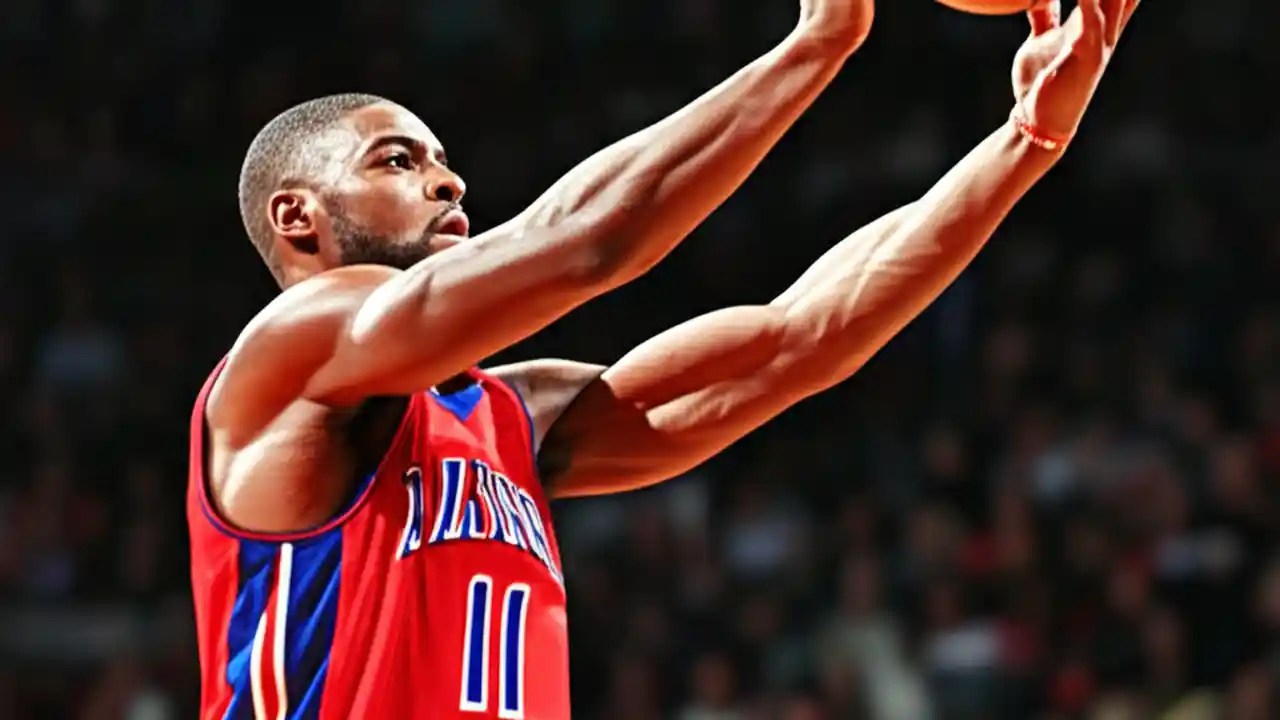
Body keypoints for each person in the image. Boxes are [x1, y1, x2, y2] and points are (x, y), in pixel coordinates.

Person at [186, 0, 1138, 717]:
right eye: (398, 161)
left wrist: (1026, 139)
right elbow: (585, 240)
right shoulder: (286, 356)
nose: (448, 180)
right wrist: (817, 44)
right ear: (298, 216)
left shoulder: (507, 418)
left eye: (440, 160)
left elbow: (800, 339)